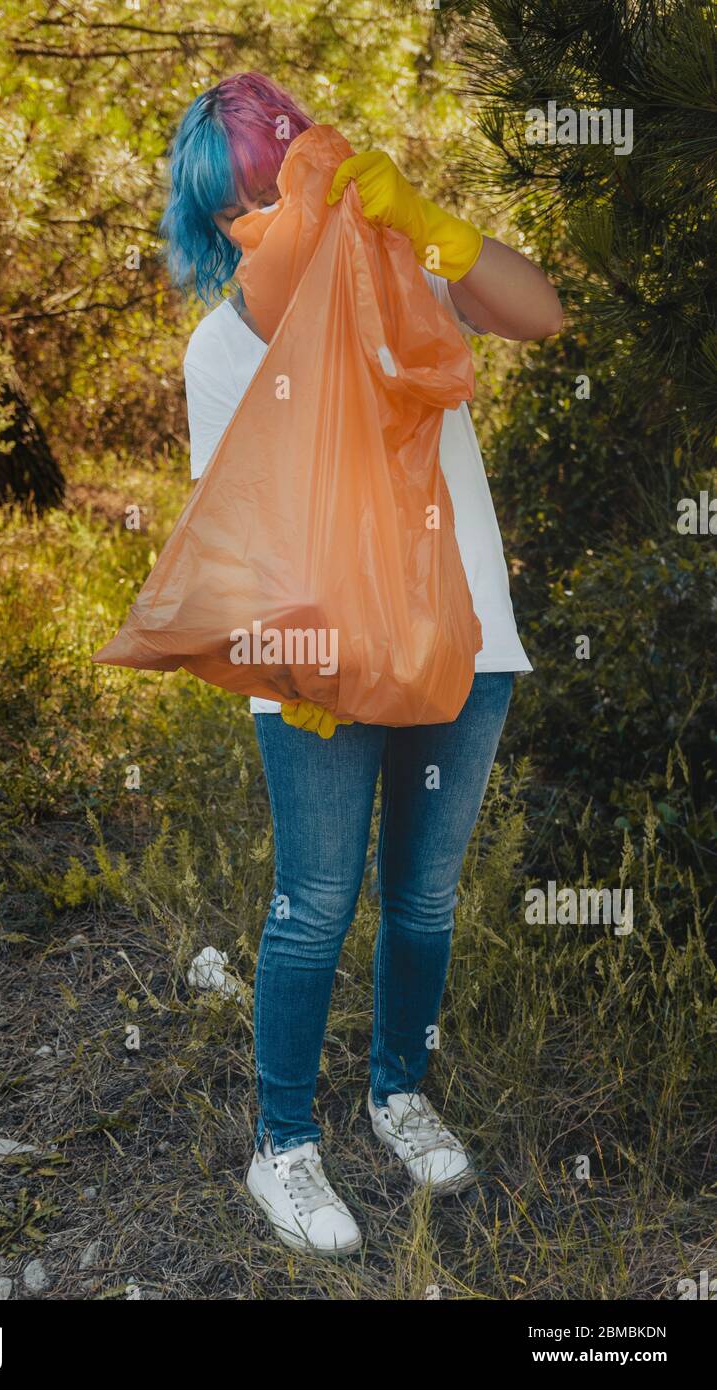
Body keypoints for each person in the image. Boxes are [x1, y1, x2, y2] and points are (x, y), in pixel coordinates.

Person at [160, 71, 562, 1257]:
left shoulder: (404, 278)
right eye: (262, 202)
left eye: (309, 184)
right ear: (223, 224)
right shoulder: (221, 352)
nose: (295, 215)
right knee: (312, 906)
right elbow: (237, 540)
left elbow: (536, 312)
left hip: (467, 641)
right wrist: (299, 671)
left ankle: (396, 1092)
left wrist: (431, 225)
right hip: (320, 672)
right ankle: (281, 1147)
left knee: (423, 900)